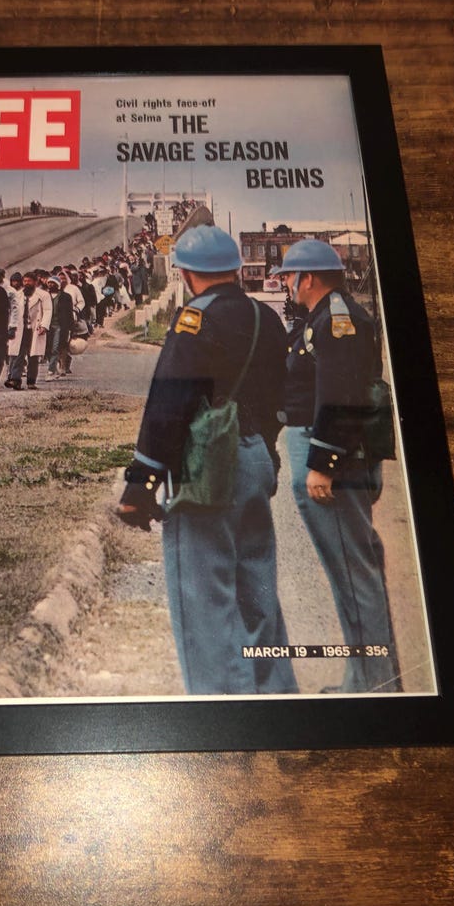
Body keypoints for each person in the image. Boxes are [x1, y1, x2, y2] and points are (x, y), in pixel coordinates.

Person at [116, 225, 297, 696]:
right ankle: (277, 700)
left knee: (205, 601)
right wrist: (267, 452)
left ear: (185, 274)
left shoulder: (195, 319)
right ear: (235, 268)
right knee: (258, 592)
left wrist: (141, 484)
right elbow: (281, 396)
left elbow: (168, 403)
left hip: (209, 467)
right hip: (257, 456)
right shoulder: (265, 317)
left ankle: (226, 710)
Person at [272, 238, 400, 693]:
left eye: (289, 277)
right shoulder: (324, 317)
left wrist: (323, 463)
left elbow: (341, 395)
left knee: (353, 573)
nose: (286, 285)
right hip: (337, 455)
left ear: (308, 278)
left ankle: (375, 687)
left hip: (337, 462)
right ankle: (366, 678)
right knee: (353, 573)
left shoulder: (338, 320)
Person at [5, 272, 52, 390]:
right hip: (21, 329)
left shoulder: (43, 295)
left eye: (29, 281)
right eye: (25, 281)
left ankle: (31, 381)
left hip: (35, 329)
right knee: (18, 354)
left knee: (33, 356)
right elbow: (13, 311)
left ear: (35, 282)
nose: (26, 283)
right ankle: (15, 380)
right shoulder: (18, 295)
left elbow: (48, 311)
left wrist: (44, 325)